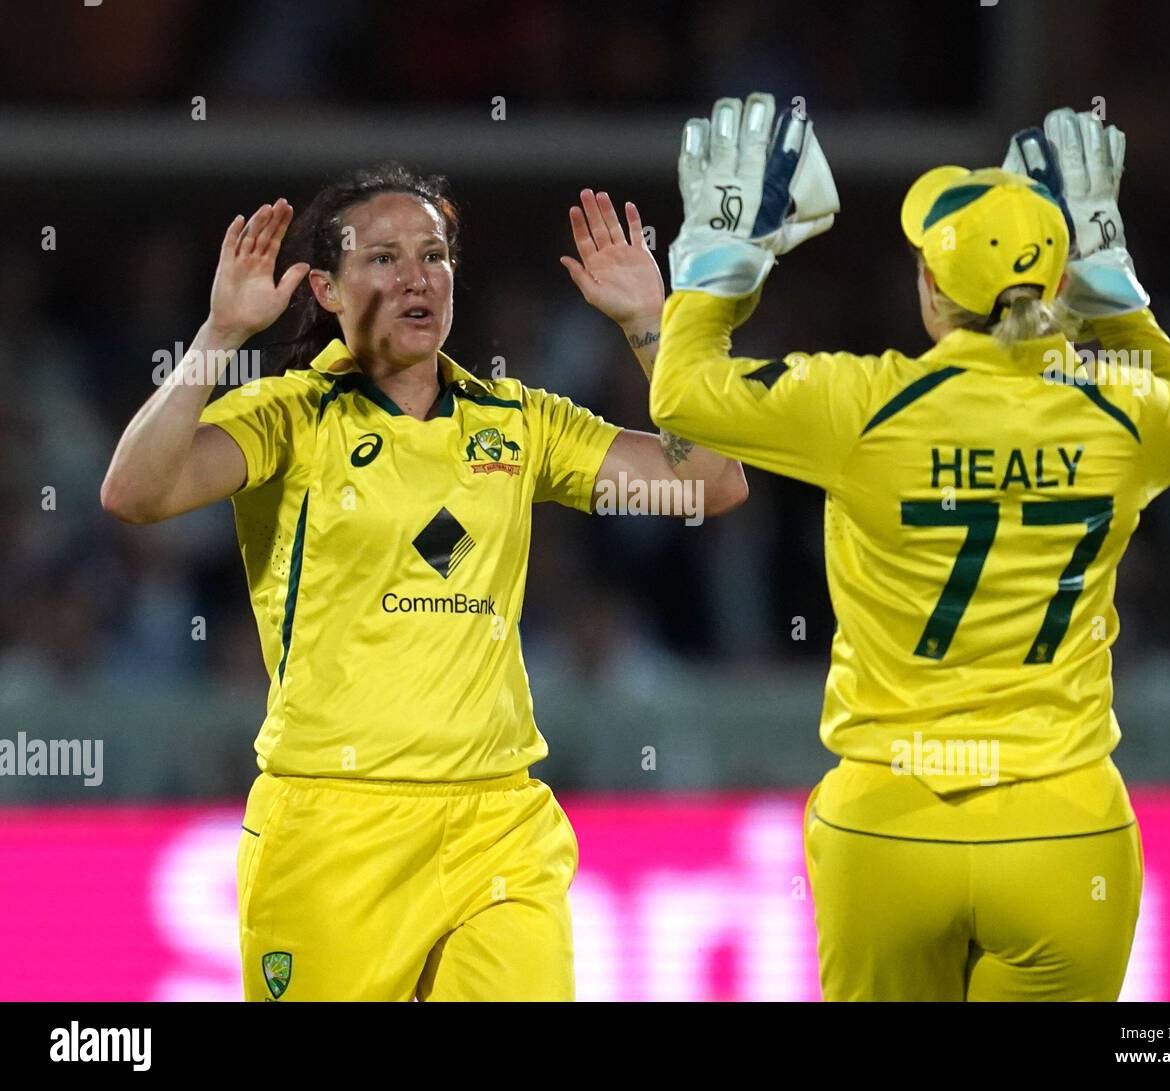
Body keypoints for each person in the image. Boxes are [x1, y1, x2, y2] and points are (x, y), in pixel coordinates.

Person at [100, 165, 746, 1001]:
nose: (417, 276)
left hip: (498, 823)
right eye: (384, 258)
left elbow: (713, 482)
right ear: (326, 290)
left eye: (434, 255)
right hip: (334, 826)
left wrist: (650, 325)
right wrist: (219, 337)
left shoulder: (519, 422)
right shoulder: (291, 416)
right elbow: (135, 491)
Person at [651, 95, 1170, 1000]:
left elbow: (680, 393)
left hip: (886, 825)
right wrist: (1113, 288)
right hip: (1065, 828)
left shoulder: (863, 406)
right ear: (1057, 280)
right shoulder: (1122, 414)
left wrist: (725, 259)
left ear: (931, 289)